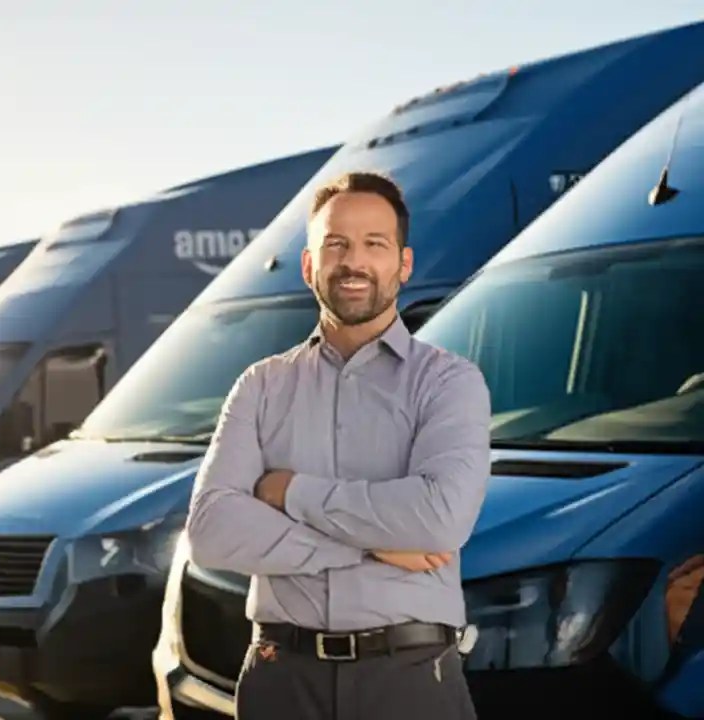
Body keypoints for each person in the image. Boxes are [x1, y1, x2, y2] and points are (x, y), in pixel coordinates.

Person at [184, 171, 491, 719]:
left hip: (411, 681)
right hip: (282, 679)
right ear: (309, 266)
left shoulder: (449, 382)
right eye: (336, 244)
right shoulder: (260, 385)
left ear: (403, 264)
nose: (355, 261)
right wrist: (370, 547)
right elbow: (211, 532)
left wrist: (290, 493)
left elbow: (438, 519)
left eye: (375, 244)